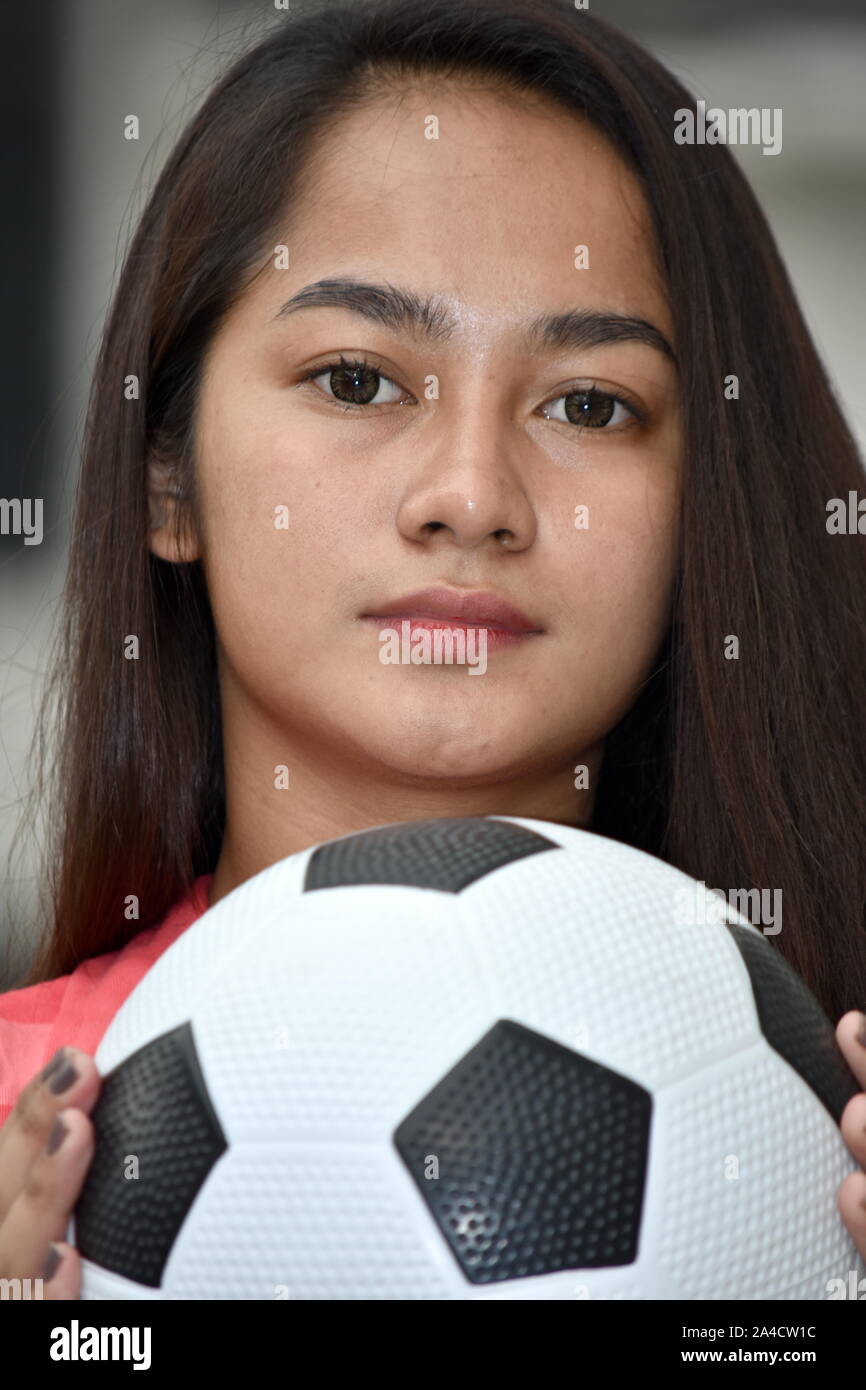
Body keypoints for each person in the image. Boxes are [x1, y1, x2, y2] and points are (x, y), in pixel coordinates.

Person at [2, 0, 865, 1300]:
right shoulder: (24, 1125)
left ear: (710, 509)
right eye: (357, 378)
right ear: (166, 477)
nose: (469, 493)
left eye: (589, 403)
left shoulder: (828, 1128)